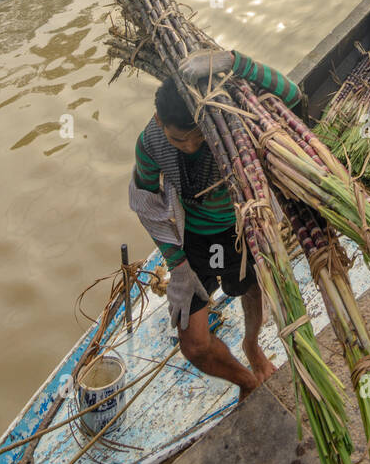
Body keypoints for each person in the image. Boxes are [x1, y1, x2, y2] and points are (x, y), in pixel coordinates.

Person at [129, 55, 301, 400]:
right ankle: (249, 383)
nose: (191, 146)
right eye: (180, 141)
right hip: (191, 237)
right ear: (159, 119)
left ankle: (252, 345)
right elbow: (146, 204)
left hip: (241, 228)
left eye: (197, 137)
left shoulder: (227, 118)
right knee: (194, 345)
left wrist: (234, 62)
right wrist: (175, 264)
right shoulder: (150, 144)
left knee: (250, 289)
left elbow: (294, 96)